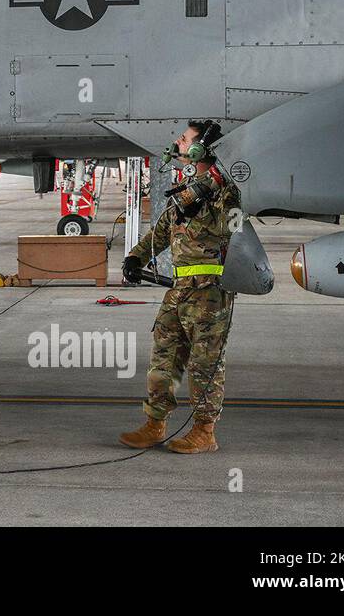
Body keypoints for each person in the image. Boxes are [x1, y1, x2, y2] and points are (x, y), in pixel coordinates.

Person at [118, 119, 238, 454]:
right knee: (164, 358)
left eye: (185, 139)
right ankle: (155, 424)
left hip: (210, 293)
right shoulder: (185, 193)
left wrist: (211, 195)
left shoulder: (226, 192)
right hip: (179, 289)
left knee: (205, 363)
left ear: (202, 147)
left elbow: (234, 225)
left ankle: (204, 431)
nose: (178, 142)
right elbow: (160, 232)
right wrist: (136, 258)